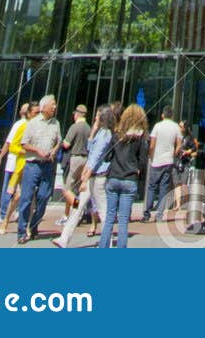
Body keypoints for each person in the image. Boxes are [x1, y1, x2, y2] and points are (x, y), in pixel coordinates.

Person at [55, 106, 113, 248]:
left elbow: (95, 157)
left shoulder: (106, 134)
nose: (95, 118)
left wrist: (85, 178)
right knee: (78, 206)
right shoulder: (99, 132)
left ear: (103, 118)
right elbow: (89, 148)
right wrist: (93, 131)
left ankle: (107, 242)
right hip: (91, 175)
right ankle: (64, 238)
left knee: (102, 210)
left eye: (97, 116)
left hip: (97, 177)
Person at [97, 104, 148, 250]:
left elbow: (106, 157)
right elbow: (143, 161)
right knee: (123, 220)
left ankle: (103, 247)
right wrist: (139, 173)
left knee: (109, 217)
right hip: (130, 178)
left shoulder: (116, 135)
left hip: (114, 176)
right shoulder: (140, 138)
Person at [15, 95, 62, 244]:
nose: (54, 107)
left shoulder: (56, 124)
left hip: (48, 165)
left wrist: (54, 150)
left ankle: (34, 224)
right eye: (52, 105)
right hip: (32, 164)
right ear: (44, 107)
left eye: (55, 105)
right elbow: (24, 144)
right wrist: (38, 151)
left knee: (44, 197)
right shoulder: (33, 123)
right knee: (26, 198)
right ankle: (22, 232)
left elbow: (58, 141)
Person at [0, 103, 38, 236]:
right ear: (29, 114)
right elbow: (13, 146)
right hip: (22, 165)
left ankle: (27, 226)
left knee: (32, 198)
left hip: (34, 166)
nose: (37, 116)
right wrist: (25, 151)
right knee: (18, 196)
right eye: (35, 113)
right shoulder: (23, 126)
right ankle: (6, 219)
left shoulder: (39, 128)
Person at [143, 107, 181, 225]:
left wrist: (150, 155)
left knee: (152, 187)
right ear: (172, 116)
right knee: (164, 187)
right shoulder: (176, 127)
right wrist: (173, 153)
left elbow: (152, 143)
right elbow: (179, 144)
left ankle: (147, 213)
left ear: (163, 115)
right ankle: (159, 215)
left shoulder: (157, 126)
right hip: (168, 160)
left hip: (156, 160)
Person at [0, 104, 29, 225]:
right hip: (23, 162)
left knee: (8, 189)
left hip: (14, 162)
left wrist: (0, 157)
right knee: (21, 189)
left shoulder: (18, 125)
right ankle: (18, 211)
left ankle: (4, 214)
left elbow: (8, 143)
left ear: (21, 113)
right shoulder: (28, 126)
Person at [61, 105, 91, 219]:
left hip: (75, 158)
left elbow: (66, 144)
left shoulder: (75, 127)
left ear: (77, 114)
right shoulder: (89, 128)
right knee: (77, 188)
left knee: (67, 189)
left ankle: (78, 207)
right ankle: (69, 214)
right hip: (85, 159)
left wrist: (62, 143)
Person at [172, 121, 198, 215]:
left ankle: (186, 203)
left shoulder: (189, 138)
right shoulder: (175, 136)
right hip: (176, 161)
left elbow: (195, 148)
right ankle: (178, 204)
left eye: (181, 126)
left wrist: (187, 151)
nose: (179, 128)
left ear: (185, 128)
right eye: (179, 126)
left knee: (184, 183)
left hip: (185, 162)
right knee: (176, 184)